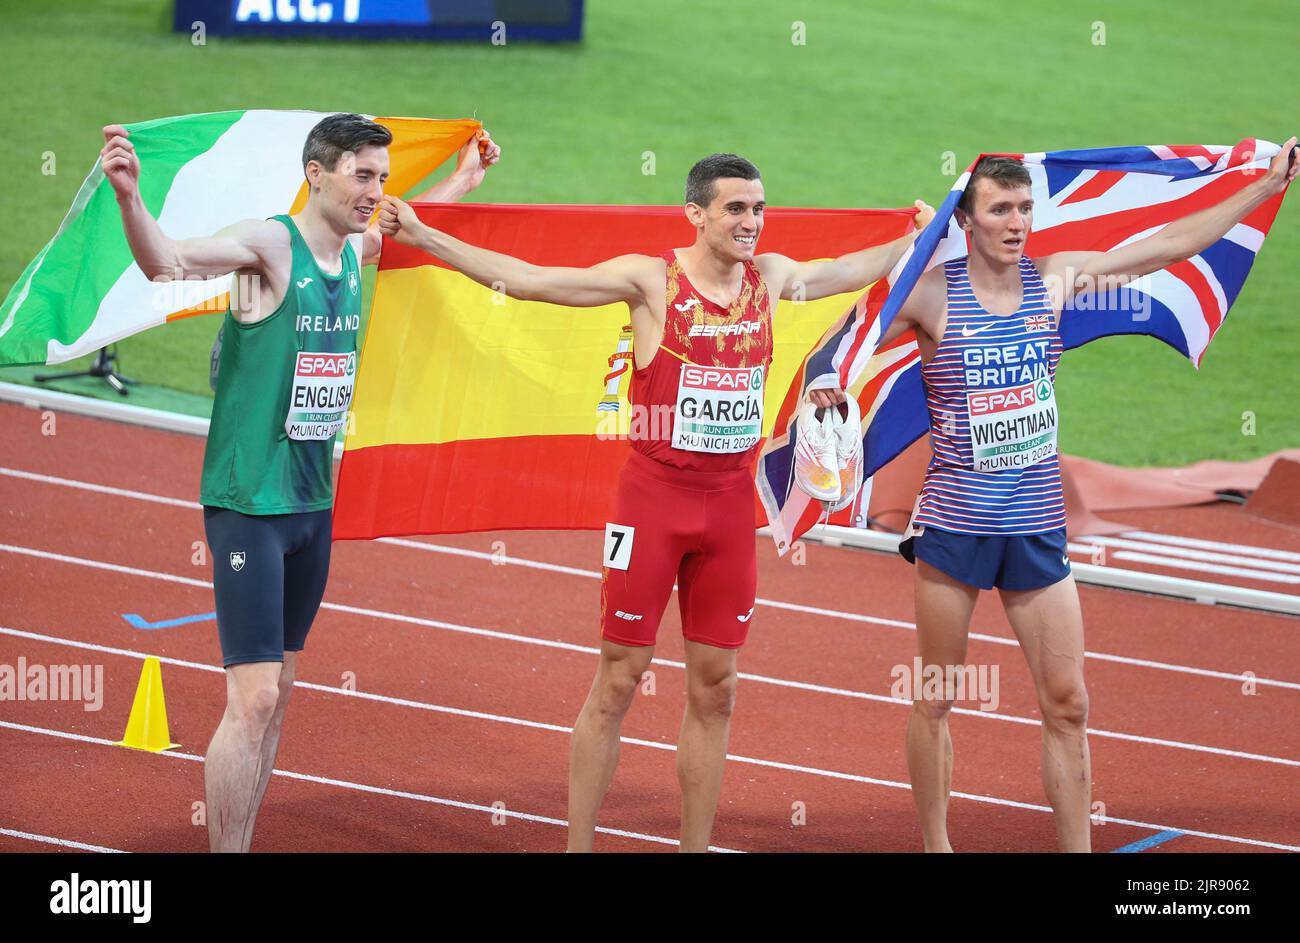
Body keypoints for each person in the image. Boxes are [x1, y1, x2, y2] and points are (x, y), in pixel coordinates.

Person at [378, 153, 934, 851]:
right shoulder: (651, 281)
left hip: (731, 510)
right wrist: (426, 237)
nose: (751, 223)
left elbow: (853, 270)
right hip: (651, 505)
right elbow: (528, 282)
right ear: (695, 213)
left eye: (759, 208)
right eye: (735, 209)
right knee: (619, 679)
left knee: (717, 688)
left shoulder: (771, 277)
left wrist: (926, 233)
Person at [811, 139, 1298, 852]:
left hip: (1037, 529)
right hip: (956, 526)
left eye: (1023, 208)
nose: (1015, 221)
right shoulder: (928, 294)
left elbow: (1162, 247)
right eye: (999, 209)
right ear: (968, 221)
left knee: (1069, 702)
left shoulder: (1058, 278)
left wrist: (1262, 189)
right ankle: (936, 845)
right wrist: (828, 379)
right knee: (939, 695)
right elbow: (842, 333)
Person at [100, 113, 500, 852]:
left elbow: (406, 229)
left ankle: (241, 841)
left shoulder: (352, 249)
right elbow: (167, 263)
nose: (376, 190)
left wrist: (465, 178)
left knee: (276, 696)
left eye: (382, 177)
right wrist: (130, 197)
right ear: (317, 173)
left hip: (313, 506)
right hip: (250, 502)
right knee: (250, 697)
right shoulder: (269, 245)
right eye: (363, 175)